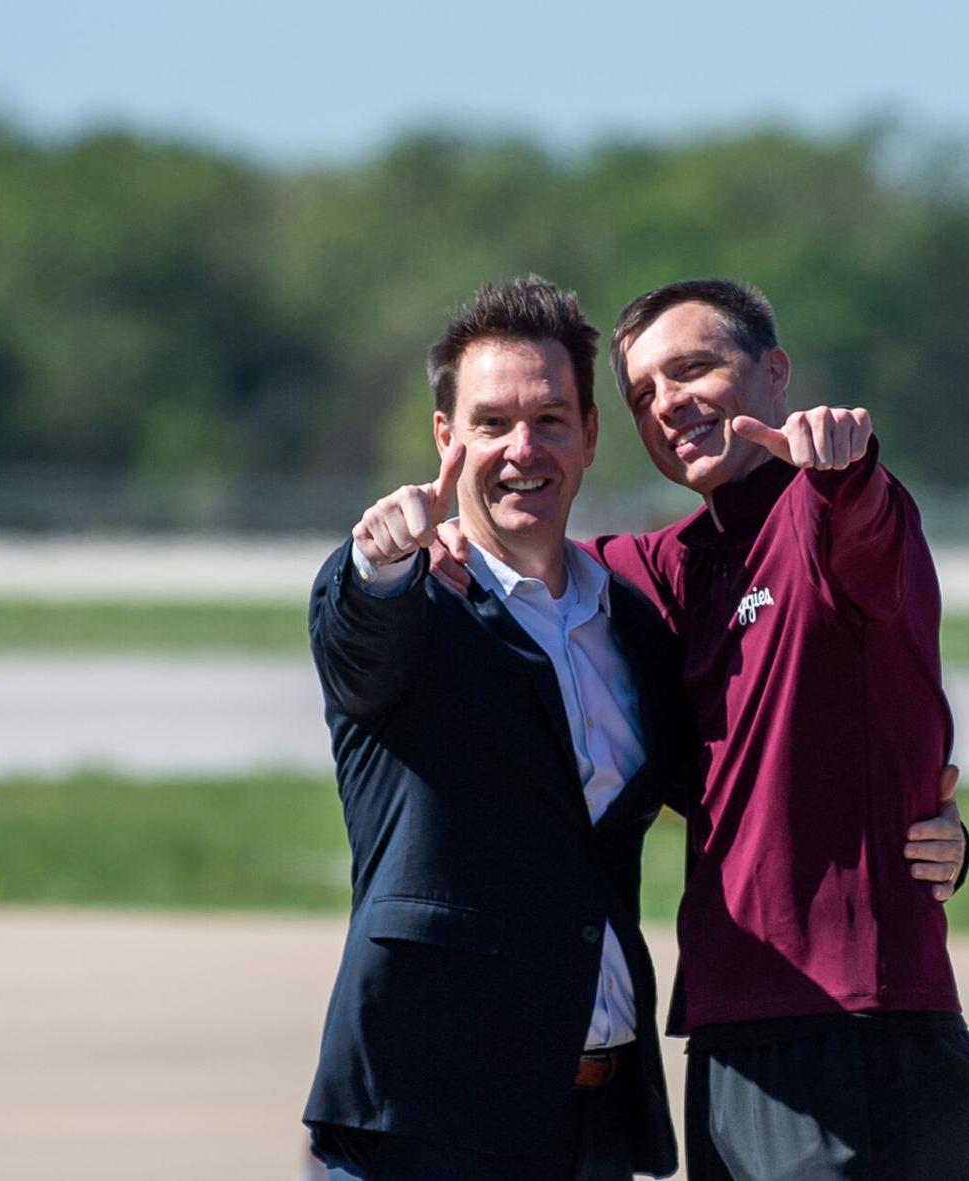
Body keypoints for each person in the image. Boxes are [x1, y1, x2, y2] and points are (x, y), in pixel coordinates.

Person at [591, 279, 969, 1179]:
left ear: (775, 372)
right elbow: (533, 564)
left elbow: (865, 518)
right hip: (726, 1037)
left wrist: (845, 462)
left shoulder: (827, 509)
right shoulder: (673, 564)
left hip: (858, 1031)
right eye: (643, 392)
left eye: (692, 368)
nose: (667, 402)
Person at [303, 277, 687, 1179]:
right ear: (446, 437)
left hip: (594, 1119)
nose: (524, 449)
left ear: (590, 433)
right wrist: (376, 560)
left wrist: (928, 817)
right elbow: (357, 640)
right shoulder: (414, 597)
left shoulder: (630, 625)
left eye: (550, 418)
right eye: (492, 423)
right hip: (429, 1118)